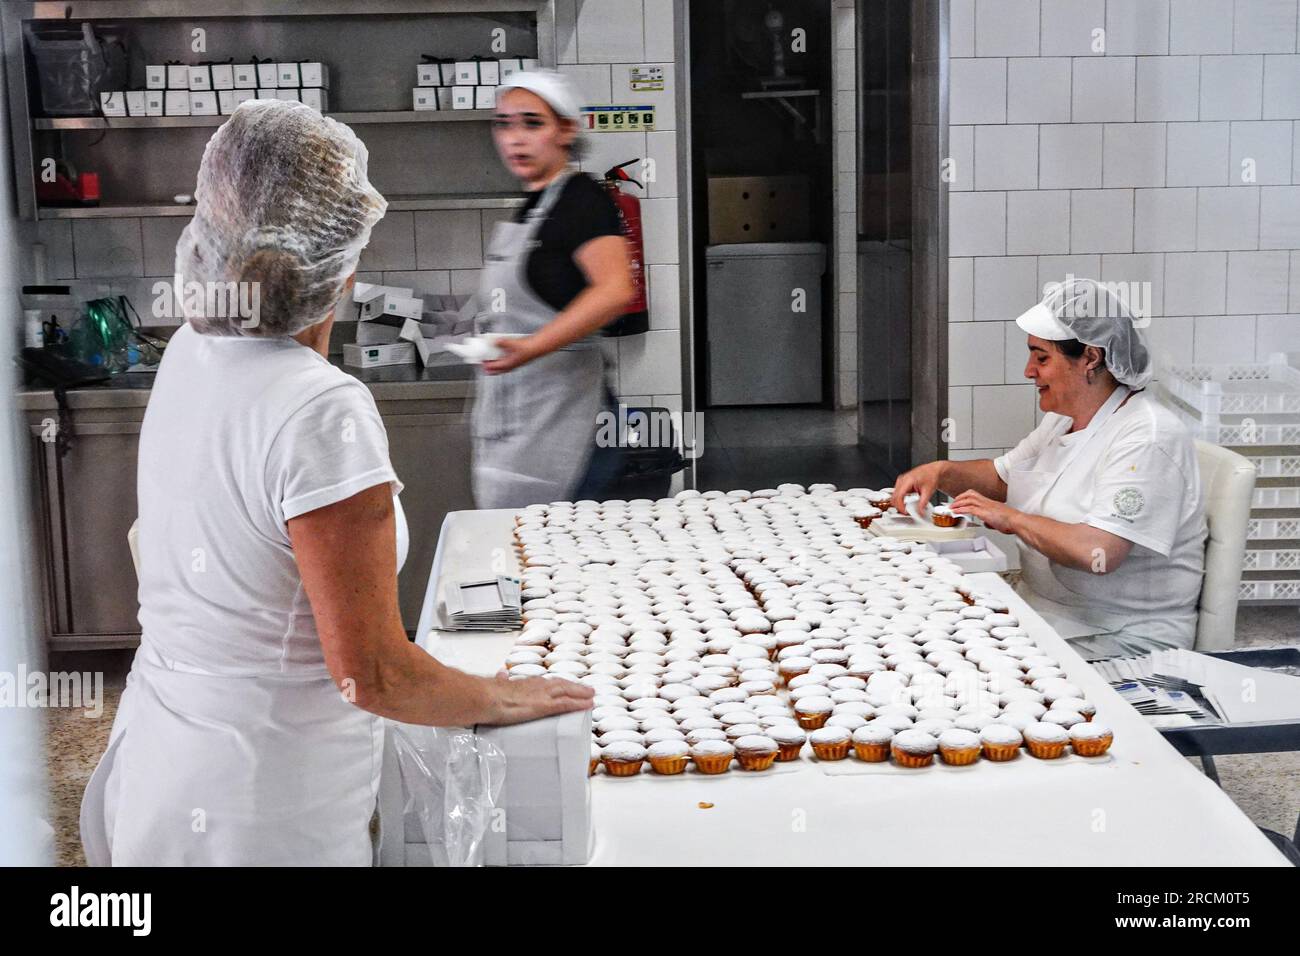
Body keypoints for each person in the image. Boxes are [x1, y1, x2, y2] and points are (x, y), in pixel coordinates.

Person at [80, 100, 591, 867]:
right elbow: (373, 672)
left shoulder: (189, 353)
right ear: (343, 265)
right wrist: (502, 696)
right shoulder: (319, 408)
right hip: (267, 802)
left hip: (163, 762)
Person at [893, 278, 1207, 654]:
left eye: (1042, 358)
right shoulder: (1065, 419)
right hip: (1045, 611)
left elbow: (1100, 552)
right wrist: (941, 472)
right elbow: (1001, 477)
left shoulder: (1148, 438)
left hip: (1117, 636)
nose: (1029, 371)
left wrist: (1011, 519)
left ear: (1091, 358)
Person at [471, 70, 636, 509]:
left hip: (571, 423)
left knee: (560, 564)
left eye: (532, 123)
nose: (514, 138)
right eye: (503, 124)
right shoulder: (532, 206)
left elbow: (616, 289)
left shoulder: (583, 200)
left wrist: (531, 347)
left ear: (565, 131)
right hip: (528, 415)